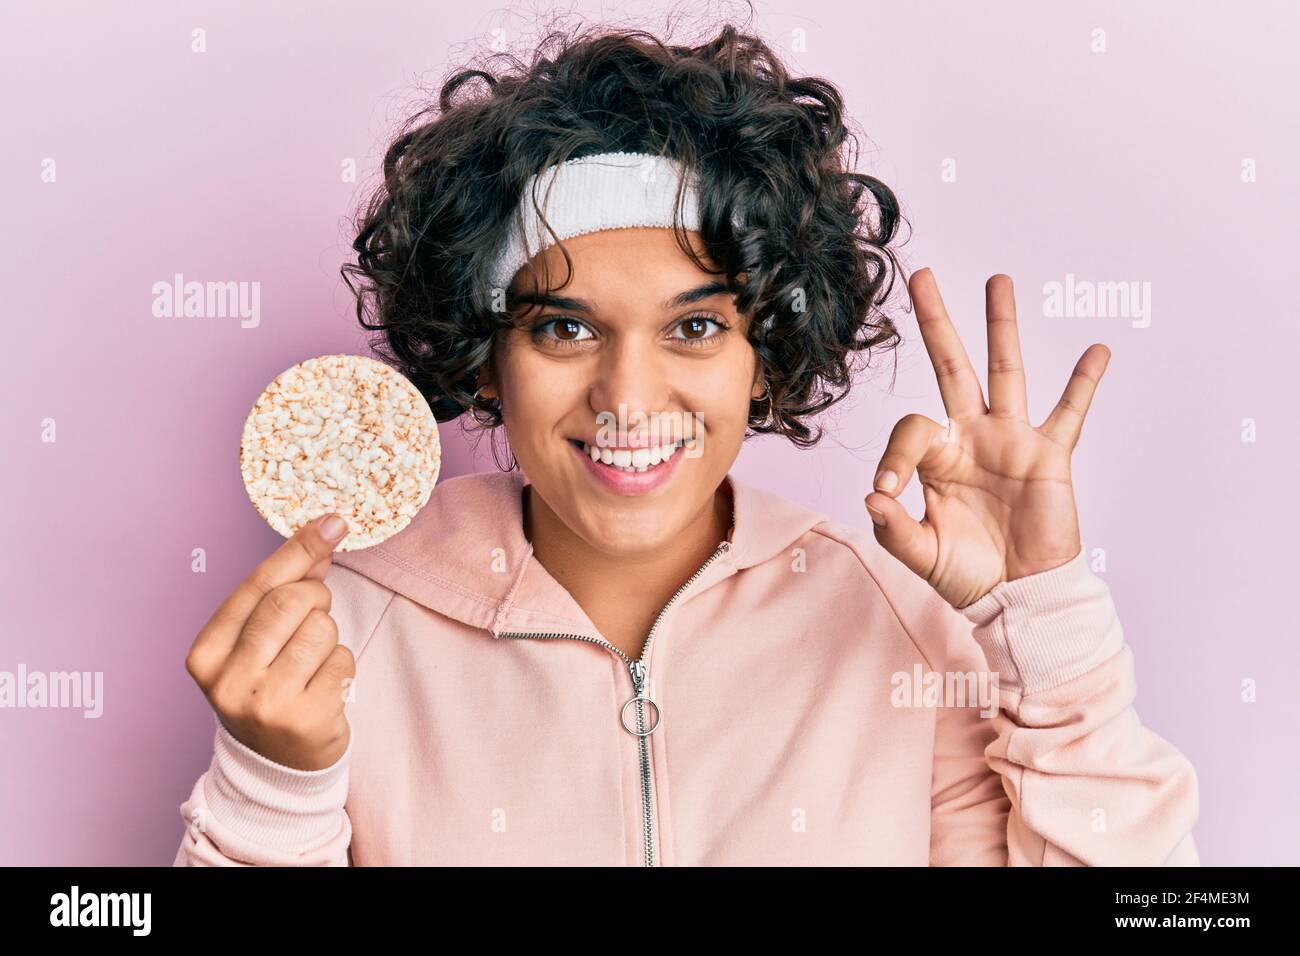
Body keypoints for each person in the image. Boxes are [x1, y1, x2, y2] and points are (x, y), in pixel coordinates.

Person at [175, 23, 1199, 866]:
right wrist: (275, 784)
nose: (628, 393)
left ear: (768, 354)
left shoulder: (896, 625)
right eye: (563, 327)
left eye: (696, 326)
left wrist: (1048, 626)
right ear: (487, 360)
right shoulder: (345, 634)